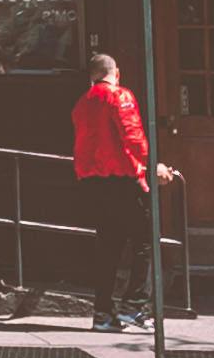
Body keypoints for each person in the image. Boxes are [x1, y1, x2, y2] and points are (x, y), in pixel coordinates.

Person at [63, 53, 177, 330]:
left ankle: (103, 313)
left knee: (108, 248)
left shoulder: (82, 104)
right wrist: (153, 167)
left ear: (92, 75)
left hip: (95, 183)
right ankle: (135, 306)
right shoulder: (120, 96)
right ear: (117, 72)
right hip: (124, 179)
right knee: (145, 242)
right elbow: (133, 135)